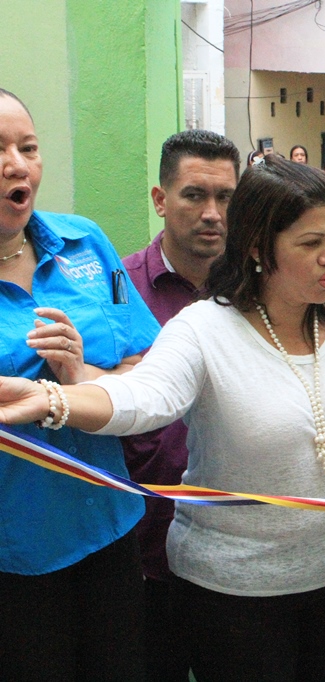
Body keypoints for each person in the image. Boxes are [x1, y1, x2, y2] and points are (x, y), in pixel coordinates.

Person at [0, 155, 325, 681]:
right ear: (256, 247)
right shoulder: (204, 329)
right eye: (310, 244)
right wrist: (52, 399)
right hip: (232, 594)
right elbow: (142, 397)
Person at [0, 87, 162, 681]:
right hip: (17, 556)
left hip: (111, 528)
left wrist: (81, 376)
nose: (17, 164)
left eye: (29, 146)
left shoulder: (85, 242)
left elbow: (150, 372)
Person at [121, 129, 240, 682]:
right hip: (143, 560)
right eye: (195, 195)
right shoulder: (116, 294)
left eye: (227, 198)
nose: (212, 213)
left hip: (238, 560)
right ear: (160, 199)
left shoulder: (259, 295)